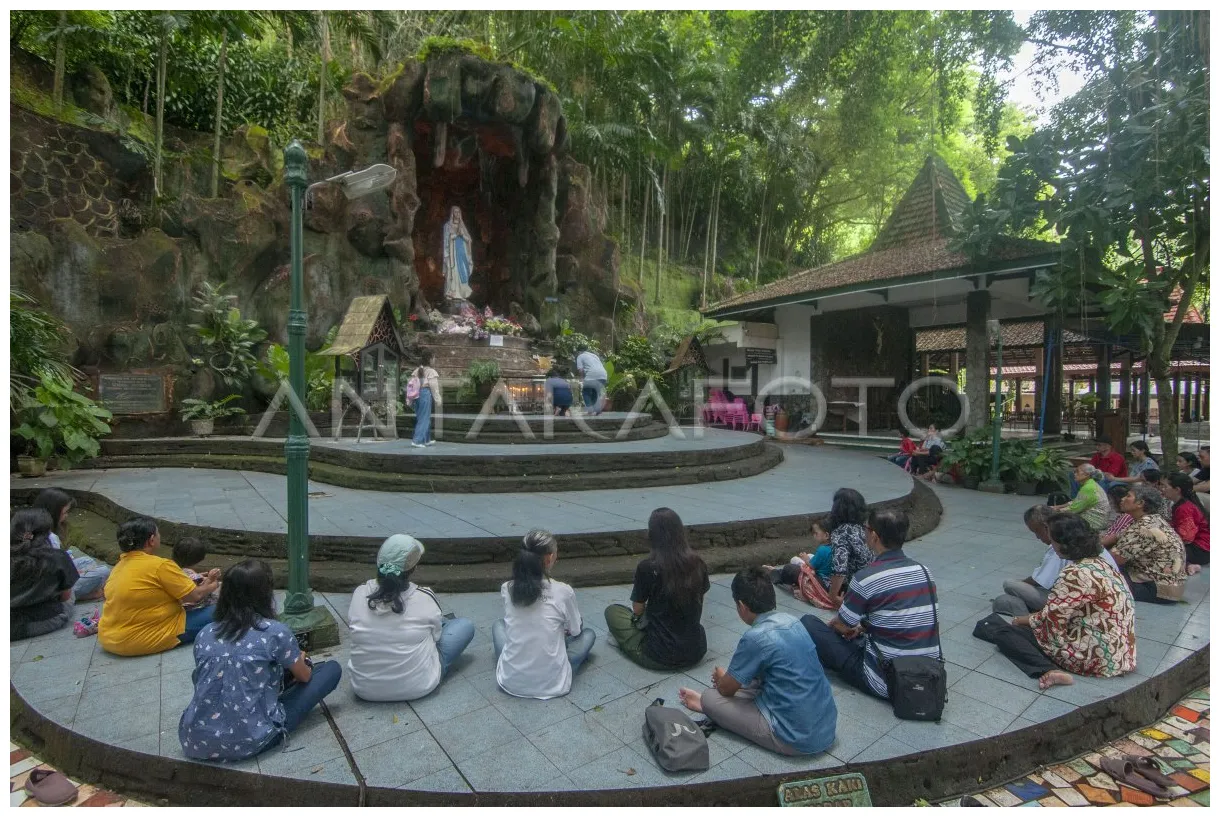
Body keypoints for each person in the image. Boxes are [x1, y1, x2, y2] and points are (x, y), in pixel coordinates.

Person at [179, 559, 342, 761]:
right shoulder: (273, 632)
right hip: (252, 739)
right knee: (330, 670)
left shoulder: (205, 634)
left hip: (194, 739)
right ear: (265, 594)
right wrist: (302, 659)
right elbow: (304, 676)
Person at [676, 568, 837, 757]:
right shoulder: (792, 621)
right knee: (752, 678)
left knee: (709, 698)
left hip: (794, 738)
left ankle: (710, 710)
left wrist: (722, 679)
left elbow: (726, 689)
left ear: (742, 606)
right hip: (826, 726)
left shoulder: (755, 637)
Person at [973, 513, 1135, 689]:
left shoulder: (1075, 573)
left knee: (1005, 633)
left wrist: (1019, 621)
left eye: (1051, 538)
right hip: (1121, 654)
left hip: (1095, 658)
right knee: (1007, 622)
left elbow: (1051, 620)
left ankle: (1048, 669)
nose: (1050, 543)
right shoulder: (1102, 563)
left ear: (1062, 543)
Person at [801, 509, 940, 700]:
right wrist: (864, 626)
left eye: (866, 528)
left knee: (809, 623)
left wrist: (839, 626)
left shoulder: (867, 577)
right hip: (929, 672)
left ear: (874, 535)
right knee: (857, 634)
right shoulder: (925, 571)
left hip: (886, 680)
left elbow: (843, 626)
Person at [347, 535, 475, 701]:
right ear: (413, 568)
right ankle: (443, 621)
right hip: (419, 686)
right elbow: (436, 637)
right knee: (464, 625)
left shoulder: (360, 593)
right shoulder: (424, 596)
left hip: (364, 689)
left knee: (431, 624)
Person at [493, 530, 595, 699]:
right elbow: (576, 631)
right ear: (549, 558)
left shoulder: (507, 587)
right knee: (588, 635)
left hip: (510, 681)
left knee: (498, 626)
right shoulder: (563, 591)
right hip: (554, 685)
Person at [604, 508, 710, 670]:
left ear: (652, 535)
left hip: (659, 656)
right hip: (696, 650)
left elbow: (638, 609)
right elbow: (701, 596)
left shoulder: (647, 567)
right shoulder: (698, 563)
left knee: (612, 612)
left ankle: (630, 643)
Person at [98, 517, 220, 657]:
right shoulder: (160, 565)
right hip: (143, 639)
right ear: (151, 540)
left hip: (109, 638)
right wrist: (212, 585)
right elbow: (195, 596)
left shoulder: (119, 566)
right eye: (158, 533)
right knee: (230, 608)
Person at [994, 505, 1124, 617]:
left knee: (1010, 585)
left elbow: (1057, 610)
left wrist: (1022, 620)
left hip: (1087, 614)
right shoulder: (1090, 549)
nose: (1038, 537)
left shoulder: (1074, 568)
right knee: (1008, 599)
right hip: (1109, 608)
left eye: (1037, 532)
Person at [1111, 483, 1187, 603]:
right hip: (1170, 586)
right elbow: (1114, 537)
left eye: (1128, 496)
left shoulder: (1145, 527)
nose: (1122, 499)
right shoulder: (1152, 519)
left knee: (1097, 576)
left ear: (1140, 503)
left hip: (1158, 590)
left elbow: (1114, 560)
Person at [11, 508, 79, 641]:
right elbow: (65, 597)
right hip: (46, 620)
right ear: (47, 532)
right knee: (72, 591)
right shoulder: (58, 557)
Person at [32, 488, 111, 601]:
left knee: (87, 561)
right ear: (53, 512)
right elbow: (56, 573)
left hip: (46, 577)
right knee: (103, 571)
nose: (66, 516)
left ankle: (86, 591)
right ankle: (84, 594)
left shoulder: (30, 524)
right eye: (65, 513)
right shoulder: (50, 537)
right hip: (48, 588)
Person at [821, 488, 873, 601]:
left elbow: (839, 569)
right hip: (872, 585)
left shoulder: (841, 533)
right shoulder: (865, 528)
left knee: (795, 572)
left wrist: (833, 597)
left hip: (854, 590)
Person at [1162, 472, 1209, 574]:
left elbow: (1186, 538)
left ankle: (1186, 564)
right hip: (1199, 548)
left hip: (1200, 550)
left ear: (1177, 490)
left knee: (1158, 551)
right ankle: (1187, 564)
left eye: (1165, 486)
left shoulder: (1185, 508)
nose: (1162, 489)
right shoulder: (1181, 504)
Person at [1053, 463, 1113, 531]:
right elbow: (1076, 502)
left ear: (1086, 475)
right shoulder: (1090, 484)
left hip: (1094, 522)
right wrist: (1058, 507)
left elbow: (1073, 510)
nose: (1074, 474)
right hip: (1098, 520)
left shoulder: (1088, 488)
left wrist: (1055, 511)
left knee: (1056, 520)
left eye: (1077, 471)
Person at [172, 537, 221, 611]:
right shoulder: (191, 575)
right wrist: (212, 579)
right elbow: (198, 593)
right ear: (198, 559)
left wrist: (199, 576)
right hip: (190, 607)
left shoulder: (170, 568)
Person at [408, 350, 442, 448]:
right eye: (434, 358)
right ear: (430, 359)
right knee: (424, 418)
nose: (434, 360)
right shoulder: (431, 372)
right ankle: (417, 440)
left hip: (416, 395)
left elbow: (411, 385)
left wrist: (410, 400)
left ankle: (426, 439)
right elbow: (434, 387)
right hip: (424, 394)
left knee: (421, 417)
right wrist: (438, 399)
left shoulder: (417, 370)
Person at [442, 206, 474, 302]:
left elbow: (469, 240)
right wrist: (455, 235)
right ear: (452, 213)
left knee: (463, 272)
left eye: (459, 212)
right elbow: (446, 240)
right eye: (455, 212)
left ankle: (462, 293)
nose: (457, 214)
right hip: (452, 254)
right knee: (452, 272)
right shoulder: (447, 226)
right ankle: (451, 292)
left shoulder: (462, 227)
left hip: (462, 254)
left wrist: (462, 235)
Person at [574, 344, 608, 415]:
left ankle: (590, 410)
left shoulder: (580, 356)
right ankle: (597, 410)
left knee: (586, 392)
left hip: (592, 375)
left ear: (579, 351)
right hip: (603, 375)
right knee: (595, 393)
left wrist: (582, 379)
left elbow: (580, 370)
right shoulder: (594, 355)